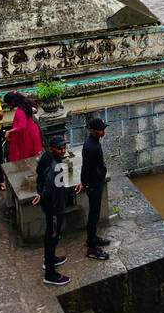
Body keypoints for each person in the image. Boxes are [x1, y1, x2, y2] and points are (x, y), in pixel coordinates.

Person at [32, 135, 71, 286]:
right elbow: (49, 185)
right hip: (55, 207)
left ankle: (51, 259)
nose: (63, 151)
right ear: (52, 148)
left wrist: (39, 192)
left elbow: (40, 176)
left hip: (50, 205)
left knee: (51, 235)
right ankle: (50, 274)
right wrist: (42, 194)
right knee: (52, 237)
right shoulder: (56, 166)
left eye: (64, 147)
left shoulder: (45, 158)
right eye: (59, 148)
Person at [76, 118, 111, 261]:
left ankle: (93, 237)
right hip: (93, 184)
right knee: (94, 214)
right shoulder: (91, 147)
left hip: (97, 181)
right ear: (93, 130)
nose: (103, 131)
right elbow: (86, 168)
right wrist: (84, 183)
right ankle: (91, 247)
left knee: (95, 213)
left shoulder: (94, 143)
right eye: (101, 129)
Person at [3, 91, 43, 161]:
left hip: (26, 134)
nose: (9, 105)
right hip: (33, 131)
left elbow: (22, 126)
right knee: (34, 154)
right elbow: (35, 110)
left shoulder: (20, 110)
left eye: (8, 103)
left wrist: (9, 131)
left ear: (12, 101)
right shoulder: (26, 104)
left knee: (26, 155)